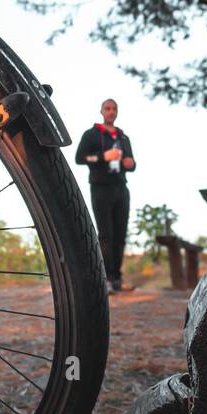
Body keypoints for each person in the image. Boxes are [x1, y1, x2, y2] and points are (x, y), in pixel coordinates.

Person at [74, 98, 135, 293]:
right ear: (101, 111)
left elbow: (132, 163)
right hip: (101, 188)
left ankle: (117, 279)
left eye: (114, 108)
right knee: (106, 235)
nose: (111, 111)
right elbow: (80, 158)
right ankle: (106, 279)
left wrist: (130, 163)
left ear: (117, 112)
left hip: (121, 188)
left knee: (120, 235)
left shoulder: (123, 137)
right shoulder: (91, 134)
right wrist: (102, 157)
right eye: (107, 108)